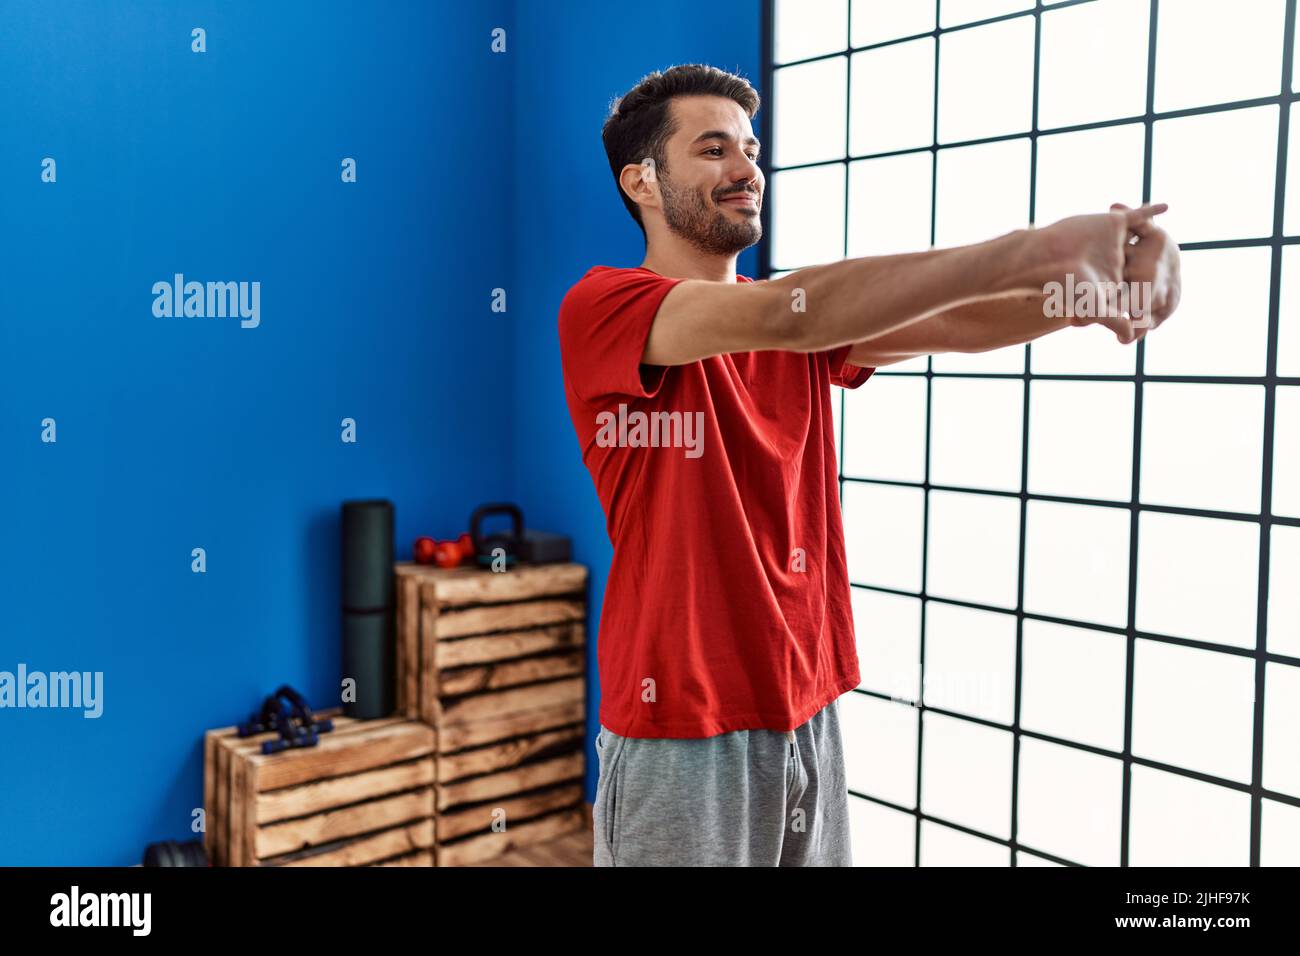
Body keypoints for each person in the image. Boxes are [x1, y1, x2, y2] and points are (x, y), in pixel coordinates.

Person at [557, 63, 1181, 866]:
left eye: (751, 149)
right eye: (714, 150)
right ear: (641, 181)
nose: (748, 170)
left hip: (806, 704)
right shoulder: (606, 305)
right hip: (682, 723)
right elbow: (786, 315)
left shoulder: (803, 329)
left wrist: (1094, 295)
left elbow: (952, 322)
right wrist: (1037, 248)